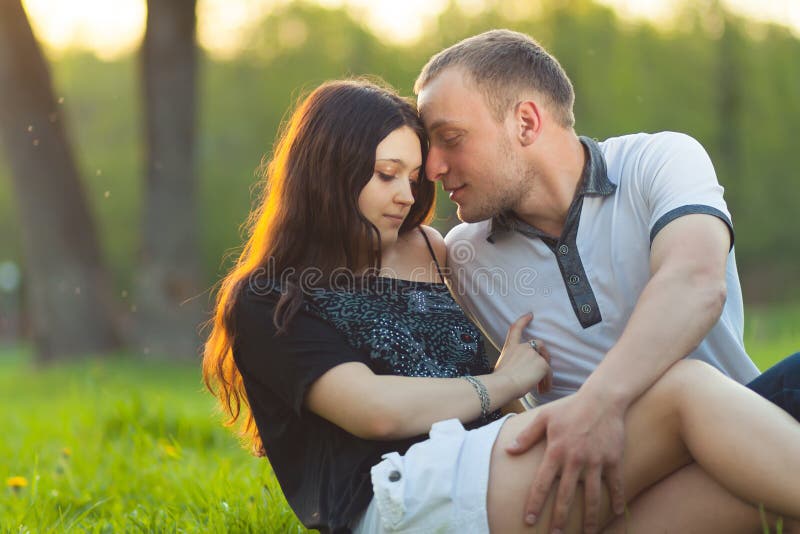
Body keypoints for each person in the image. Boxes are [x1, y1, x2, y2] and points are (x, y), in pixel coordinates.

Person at [202, 78, 800, 533]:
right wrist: (503, 381)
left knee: (753, 503)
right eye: (386, 175)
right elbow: (374, 411)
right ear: (327, 172)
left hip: (492, 471)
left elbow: (492, 400)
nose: (406, 195)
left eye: (414, 177)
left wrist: (512, 393)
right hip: (401, 497)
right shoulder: (268, 295)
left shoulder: (430, 250)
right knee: (684, 390)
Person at [414, 29, 800, 532]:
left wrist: (597, 404)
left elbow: (695, 282)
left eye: (450, 139)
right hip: (619, 484)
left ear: (526, 122)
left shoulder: (657, 162)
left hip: (746, 431)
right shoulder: (465, 258)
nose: (432, 167)